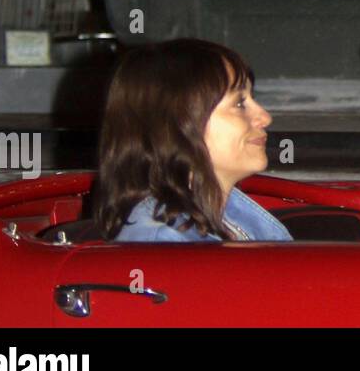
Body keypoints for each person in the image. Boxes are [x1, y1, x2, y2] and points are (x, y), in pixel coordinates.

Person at [95, 39, 292, 242]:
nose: (265, 117)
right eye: (240, 103)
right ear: (177, 124)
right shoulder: (162, 245)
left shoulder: (228, 218)